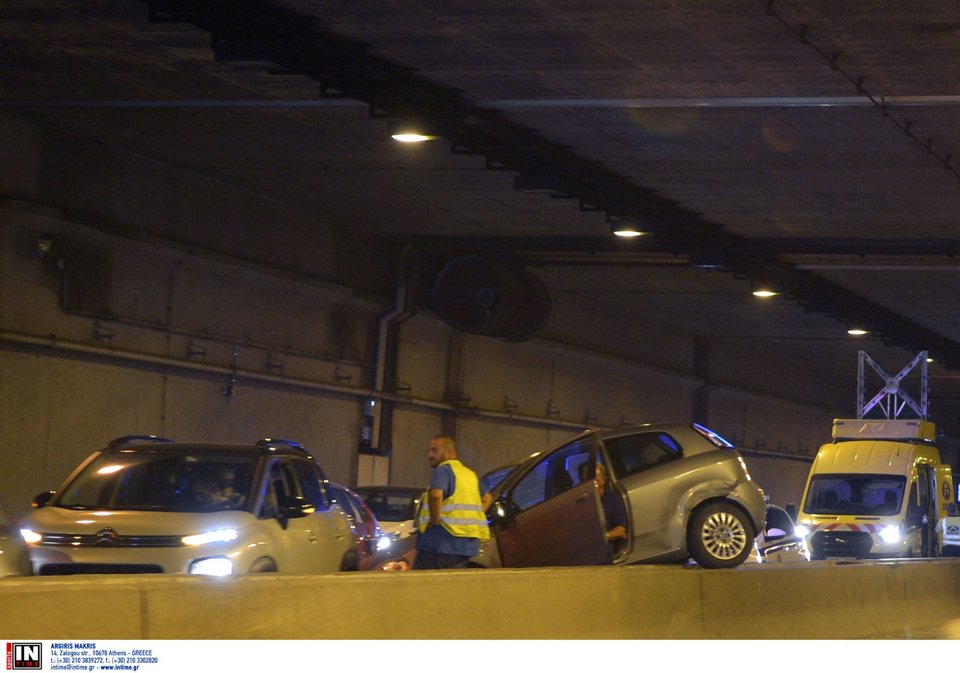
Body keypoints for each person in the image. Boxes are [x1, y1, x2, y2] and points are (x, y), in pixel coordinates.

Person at [413, 435, 490, 570]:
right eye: (429, 451)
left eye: (435, 451)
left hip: (439, 544)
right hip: (464, 547)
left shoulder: (443, 470)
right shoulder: (470, 475)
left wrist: (435, 520)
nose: (430, 455)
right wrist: (470, 518)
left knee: (425, 587)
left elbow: (436, 495)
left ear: (449, 453)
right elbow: (487, 499)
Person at [595, 462, 628, 557]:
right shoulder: (582, 502)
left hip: (605, 549)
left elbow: (620, 529)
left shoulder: (613, 499)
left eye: (595, 479)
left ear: (603, 480)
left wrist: (604, 536)